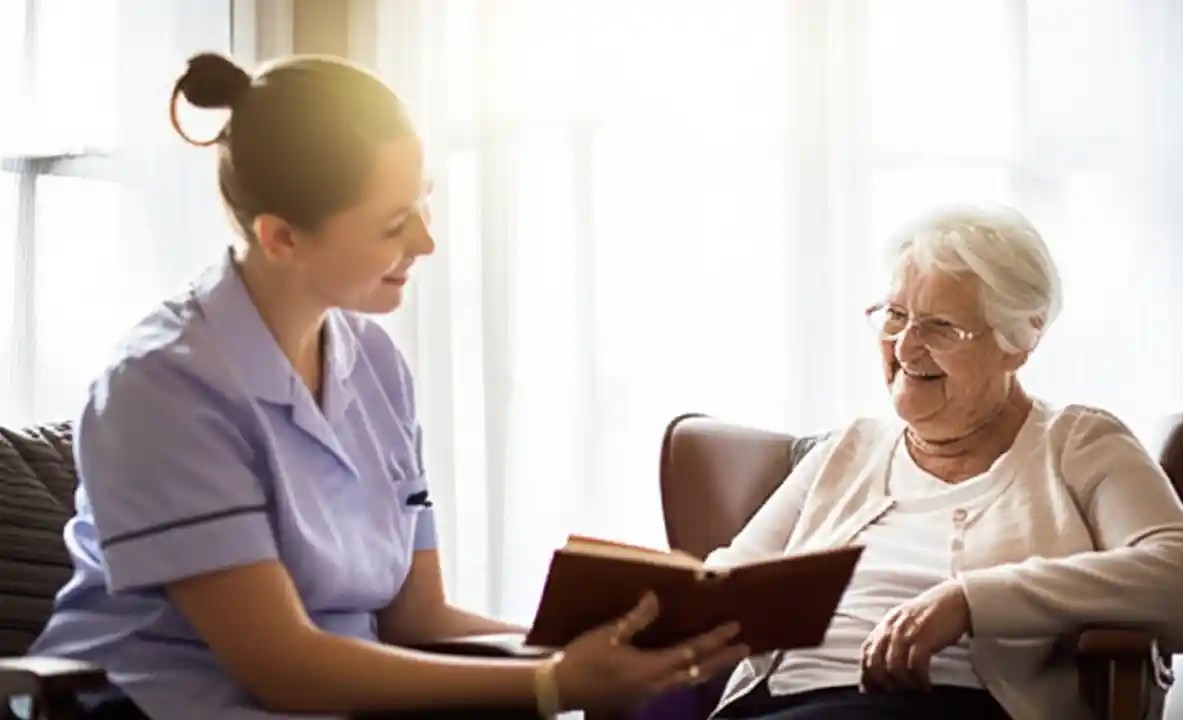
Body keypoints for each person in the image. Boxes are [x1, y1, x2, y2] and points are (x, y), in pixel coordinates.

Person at [24, 53, 748, 720]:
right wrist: (553, 682)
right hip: (167, 705)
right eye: (395, 223)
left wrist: (604, 652)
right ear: (281, 237)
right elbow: (281, 667)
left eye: (424, 205)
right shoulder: (162, 387)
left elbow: (417, 620)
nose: (428, 242)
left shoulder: (374, 364)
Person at [701, 205, 1183, 720]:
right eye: (895, 315)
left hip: (933, 704)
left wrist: (969, 601)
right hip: (768, 702)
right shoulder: (846, 452)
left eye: (941, 327)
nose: (906, 347)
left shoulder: (1077, 444)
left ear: (1020, 342)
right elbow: (722, 585)